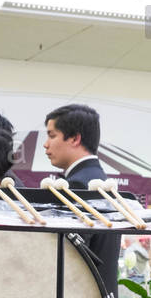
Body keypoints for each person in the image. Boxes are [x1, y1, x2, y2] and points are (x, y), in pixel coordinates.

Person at [44, 103, 120, 287]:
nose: (46, 144)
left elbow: (71, 258)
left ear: (75, 139)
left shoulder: (78, 185)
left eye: (52, 135)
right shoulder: (97, 178)